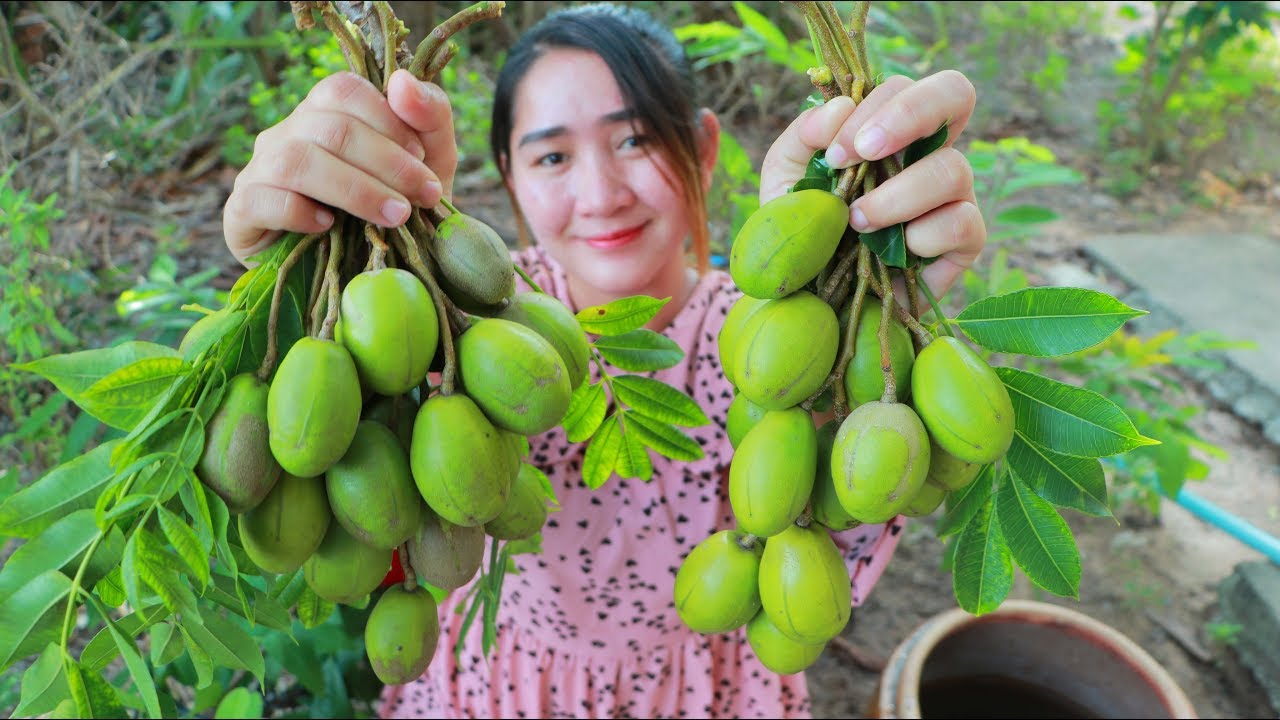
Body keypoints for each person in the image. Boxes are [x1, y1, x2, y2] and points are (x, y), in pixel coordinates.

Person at [223, 4, 984, 718]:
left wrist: (856, 283)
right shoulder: (449, 327)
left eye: (634, 140)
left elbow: (848, 513)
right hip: (505, 682)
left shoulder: (764, 339)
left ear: (705, 150)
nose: (601, 193)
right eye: (553, 154)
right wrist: (291, 282)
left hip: (704, 688)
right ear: (508, 175)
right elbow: (350, 469)